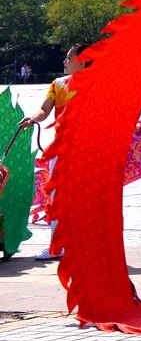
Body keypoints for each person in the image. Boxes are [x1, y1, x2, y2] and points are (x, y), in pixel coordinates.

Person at [19, 43, 90, 260]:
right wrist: (32, 118)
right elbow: (44, 110)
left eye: (69, 57)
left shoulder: (98, 85)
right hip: (61, 150)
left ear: (82, 61)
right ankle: (57, 246)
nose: (64, 61)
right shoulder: (58, 85)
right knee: (56, 198)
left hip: (89, 150)